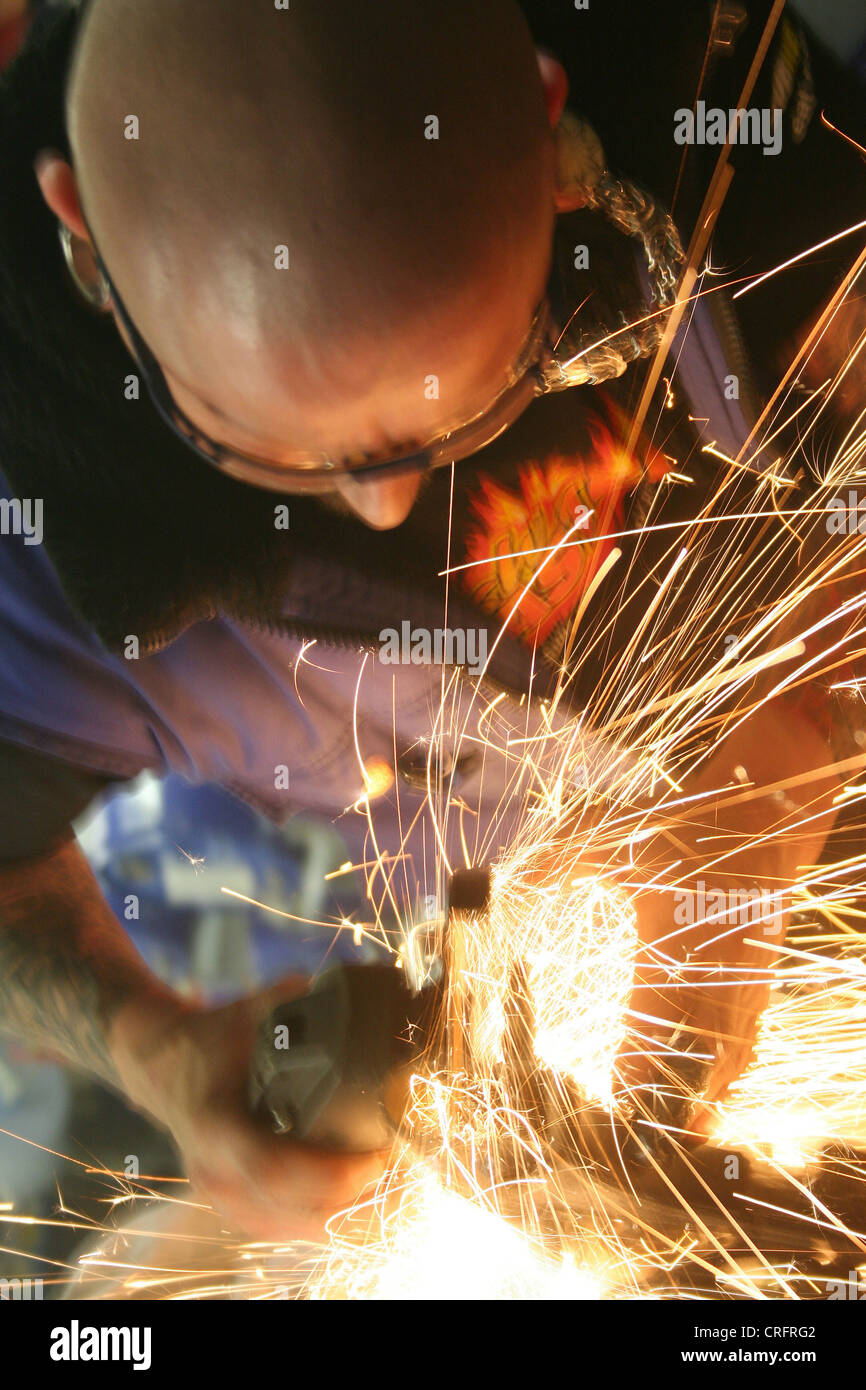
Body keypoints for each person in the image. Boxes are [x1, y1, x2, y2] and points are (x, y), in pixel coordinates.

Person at [0, 0, 862, 1238]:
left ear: (554, 123)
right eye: (288, 448)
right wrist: (153, 1048)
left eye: (469, 403)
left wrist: (788, 717)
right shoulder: (33, 527)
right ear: (81, 227)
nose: (385, 497)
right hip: (412, 894)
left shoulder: (709, 123)